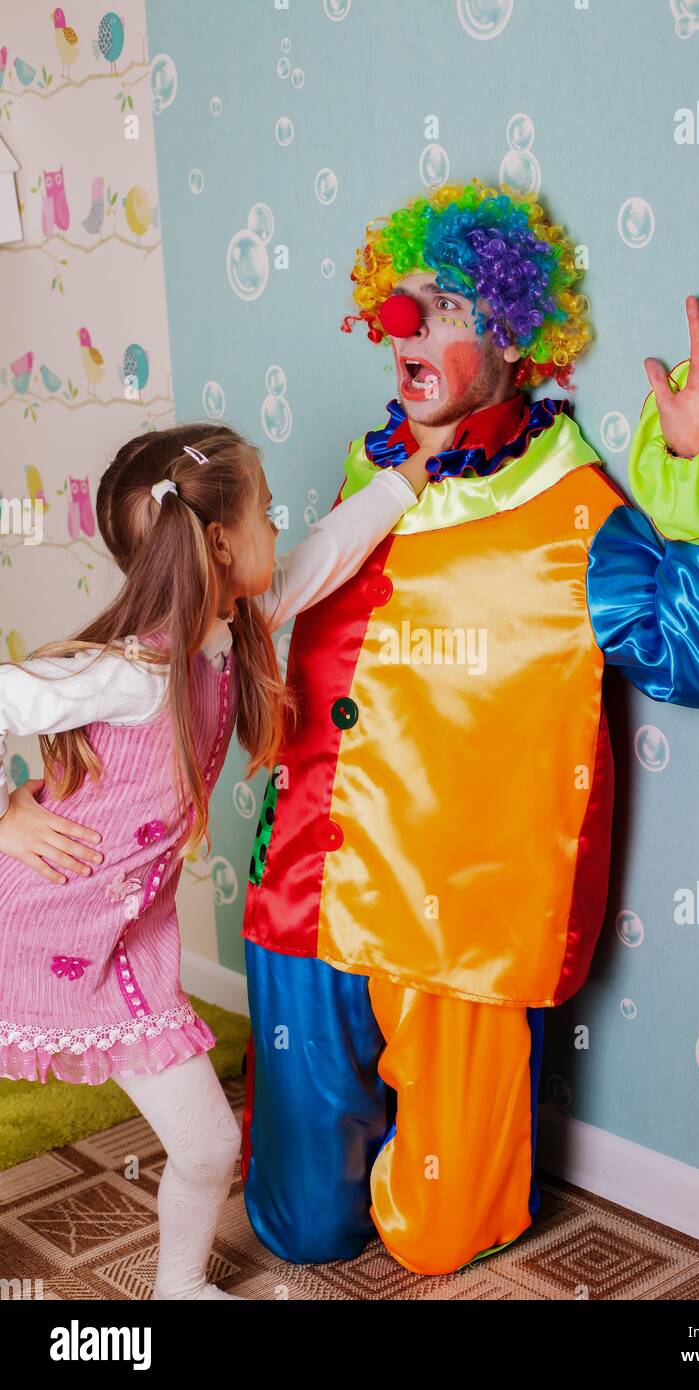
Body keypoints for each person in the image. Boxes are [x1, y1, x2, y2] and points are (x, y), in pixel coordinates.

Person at [239, 179, 699, 1276]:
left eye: (440, 306)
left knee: (437, 1238)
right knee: (301, 1229)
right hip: (305, 896)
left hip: (461, 934)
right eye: (398, 304)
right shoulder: (367, 467)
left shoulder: (574, 509)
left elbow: (697, 662)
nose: (402, 328)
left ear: (518, 337)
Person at [0, 422, 427, 1298]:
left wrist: (405, 483)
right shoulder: (127, 673)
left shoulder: (232, 633)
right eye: (266, 510)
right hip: (29, 924)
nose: (279, 522)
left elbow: (320, 560)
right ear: (222, 542)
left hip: (126, 945)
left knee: (209, 1146)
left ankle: (179, 1292)